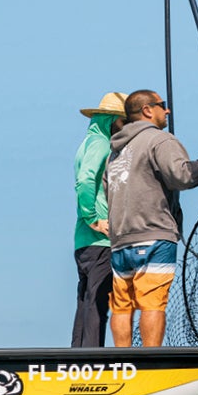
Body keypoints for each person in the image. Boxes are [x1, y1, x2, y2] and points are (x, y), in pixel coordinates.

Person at [105, 90, 198, 347]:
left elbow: (106, 189)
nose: (167, 111)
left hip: (120, 241)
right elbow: (184, 176)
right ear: (147, 111)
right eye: (162, 106)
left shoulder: (116, 152)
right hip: (153, 234)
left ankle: (122, 360)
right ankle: (149, 362)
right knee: (152, 302)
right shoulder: (159, 140)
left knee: (122, 306)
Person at [72, 92, 127, 347]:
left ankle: (78, 357)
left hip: (84, 241)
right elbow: (85, 180)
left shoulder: (87, 141)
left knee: (86, 302)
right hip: (99, 239)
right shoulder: (101, 144)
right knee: (98, 302)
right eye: (124, 121)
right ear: (113, 120)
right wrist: (93, 218)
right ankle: (94, 361)